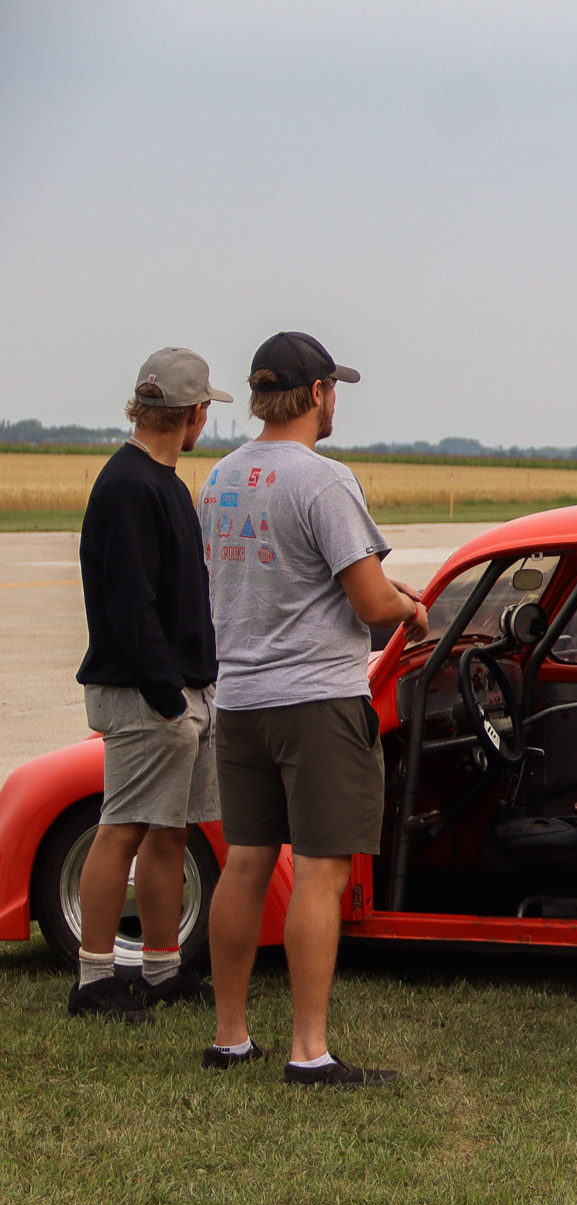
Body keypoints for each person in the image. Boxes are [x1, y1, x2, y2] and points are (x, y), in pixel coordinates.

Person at [203, 332, 426, 1085]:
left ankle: (231, 1035)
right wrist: (414, 608)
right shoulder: (324, 481)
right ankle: (309, 1049)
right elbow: (369, 599)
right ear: (319, 394)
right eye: (337, 390)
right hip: (316, 699)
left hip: (239, 698)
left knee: (245, 861)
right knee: (324, 870)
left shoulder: (221, 479)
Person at [69, 348, 233, 1023]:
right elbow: (130, 604)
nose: (205, 421)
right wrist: (170, 698)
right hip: (148, 695)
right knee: (123, 828)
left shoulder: (163, 480)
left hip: (181, 690)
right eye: (204, 411)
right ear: (191, 413)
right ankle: (95, 978)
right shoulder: (129, 485)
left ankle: (163, 967)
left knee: (170, 831)